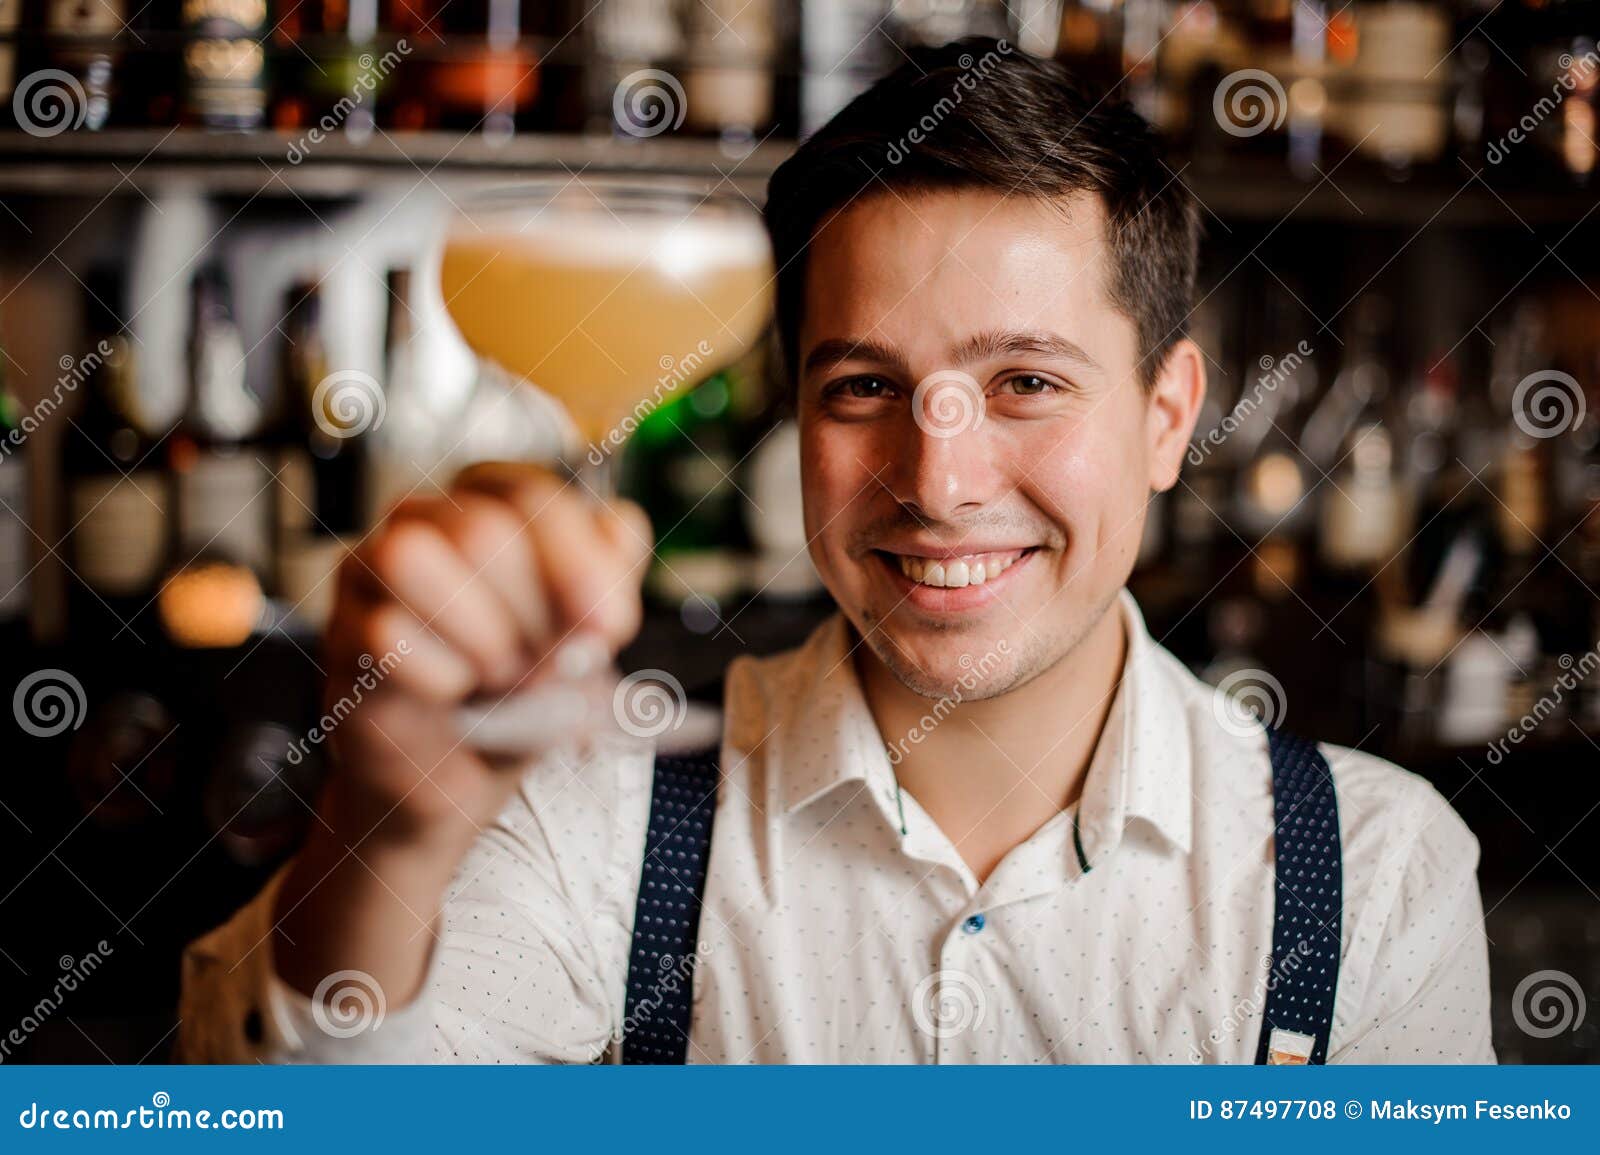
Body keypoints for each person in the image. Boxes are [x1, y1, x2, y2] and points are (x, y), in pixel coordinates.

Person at [179, 39, 1493, 1064]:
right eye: (864, 388)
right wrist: (387, 840)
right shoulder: (601, 824)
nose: (940, 479)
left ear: (1165, 418)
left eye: (1027, 381)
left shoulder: (1372, 868)